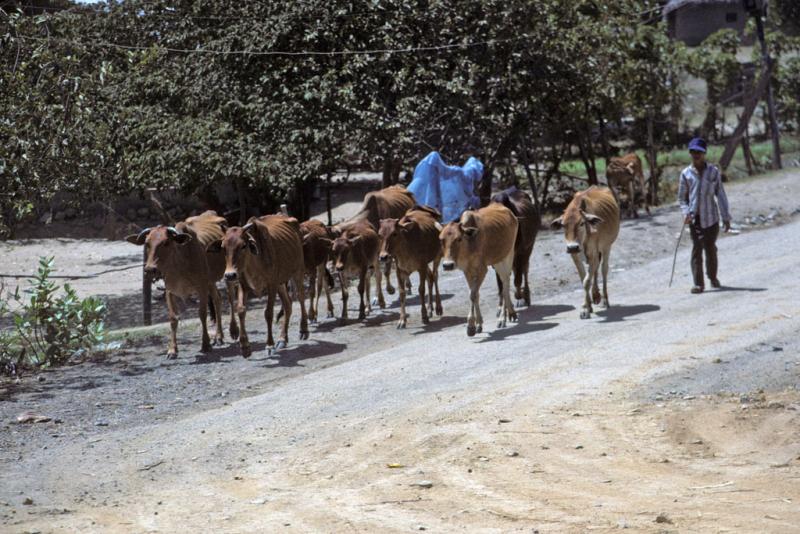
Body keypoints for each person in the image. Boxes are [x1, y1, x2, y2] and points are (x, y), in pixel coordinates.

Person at [678, 137, 731, 294]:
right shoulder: (686, 174)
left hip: (712, 218)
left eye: (699, 152)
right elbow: (682, 198)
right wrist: (685, 213)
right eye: (693, 152)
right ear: (690, 153)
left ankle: (712, 277)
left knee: (710, 249)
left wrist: (726, 217)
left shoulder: (713, 172)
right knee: (696, 249)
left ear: (704, 153)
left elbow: (720, 195)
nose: (696, 155)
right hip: (695, 219)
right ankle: (698, 284)